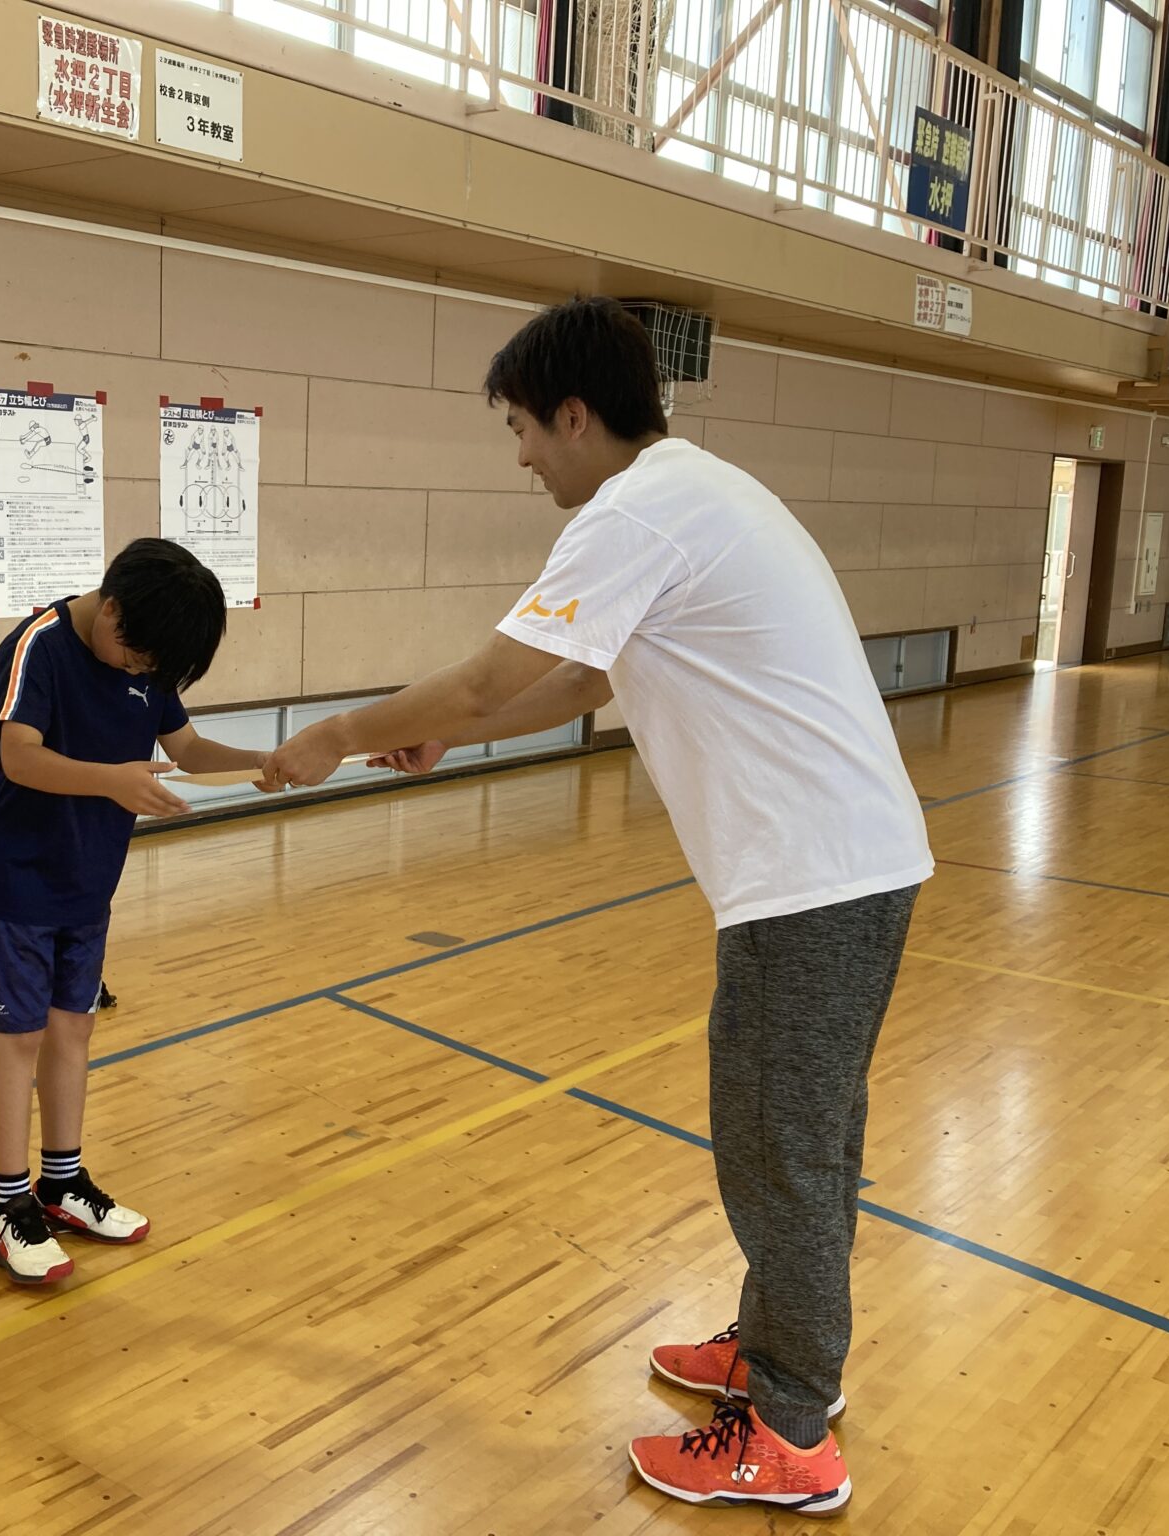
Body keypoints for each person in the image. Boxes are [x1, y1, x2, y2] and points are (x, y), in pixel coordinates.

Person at [262, 297, 932, 1516]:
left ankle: (788, 1428)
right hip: (843, 867)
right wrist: (436, 740)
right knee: (805, 1135)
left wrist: (342, 734)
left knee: (778, 1142)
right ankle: (786, 1351)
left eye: (521, 426)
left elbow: (482, 681)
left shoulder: (633, 511)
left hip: (812, 879)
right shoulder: (687, 494)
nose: (519, 454)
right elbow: (576, 683)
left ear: (574, 415)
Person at [0, 538, 268, 1285]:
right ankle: (9, 1208)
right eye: (138, 656)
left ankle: (62, 1185)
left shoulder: (147, 657)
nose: (141, 671)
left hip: (87, 884)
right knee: (21, 1039)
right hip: (13, 883)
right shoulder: (38, 645)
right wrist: (111, 781)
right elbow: (19, 757)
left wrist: (268, 763)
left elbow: (188, 750)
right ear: (114, 607)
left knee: (74, 1028)